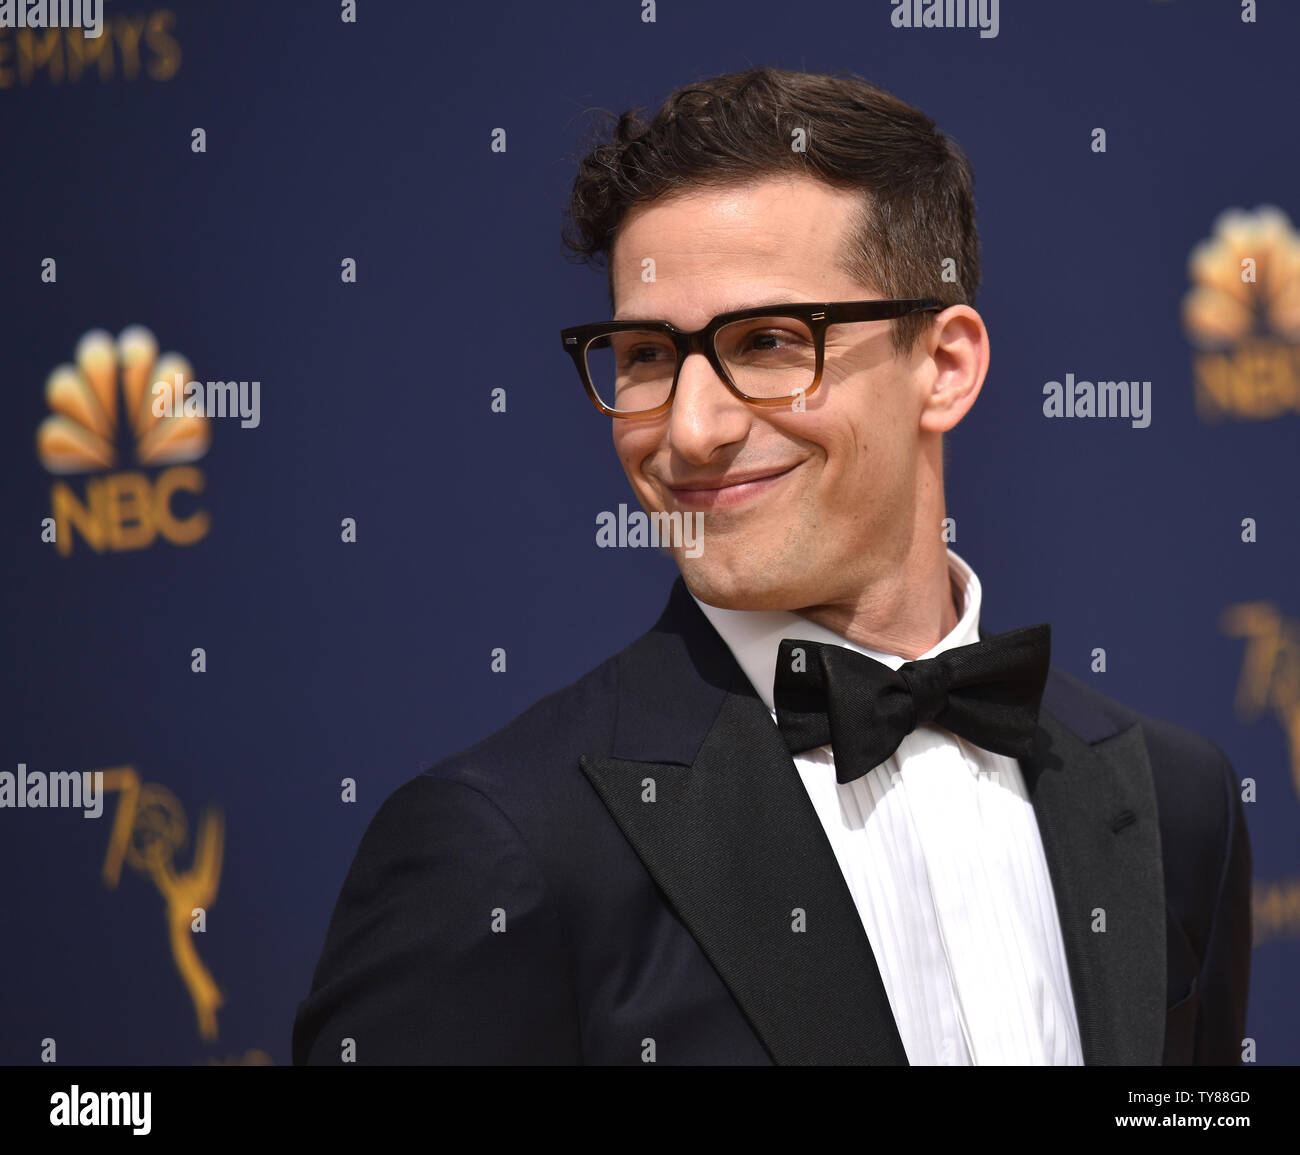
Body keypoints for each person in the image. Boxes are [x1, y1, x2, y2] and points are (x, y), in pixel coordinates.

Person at [292, 67, 1251, 1065]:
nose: (690, 431)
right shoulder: (500, 848)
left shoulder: (1173, 802)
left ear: (945, 367)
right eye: (648, 357)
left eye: (766, 342)